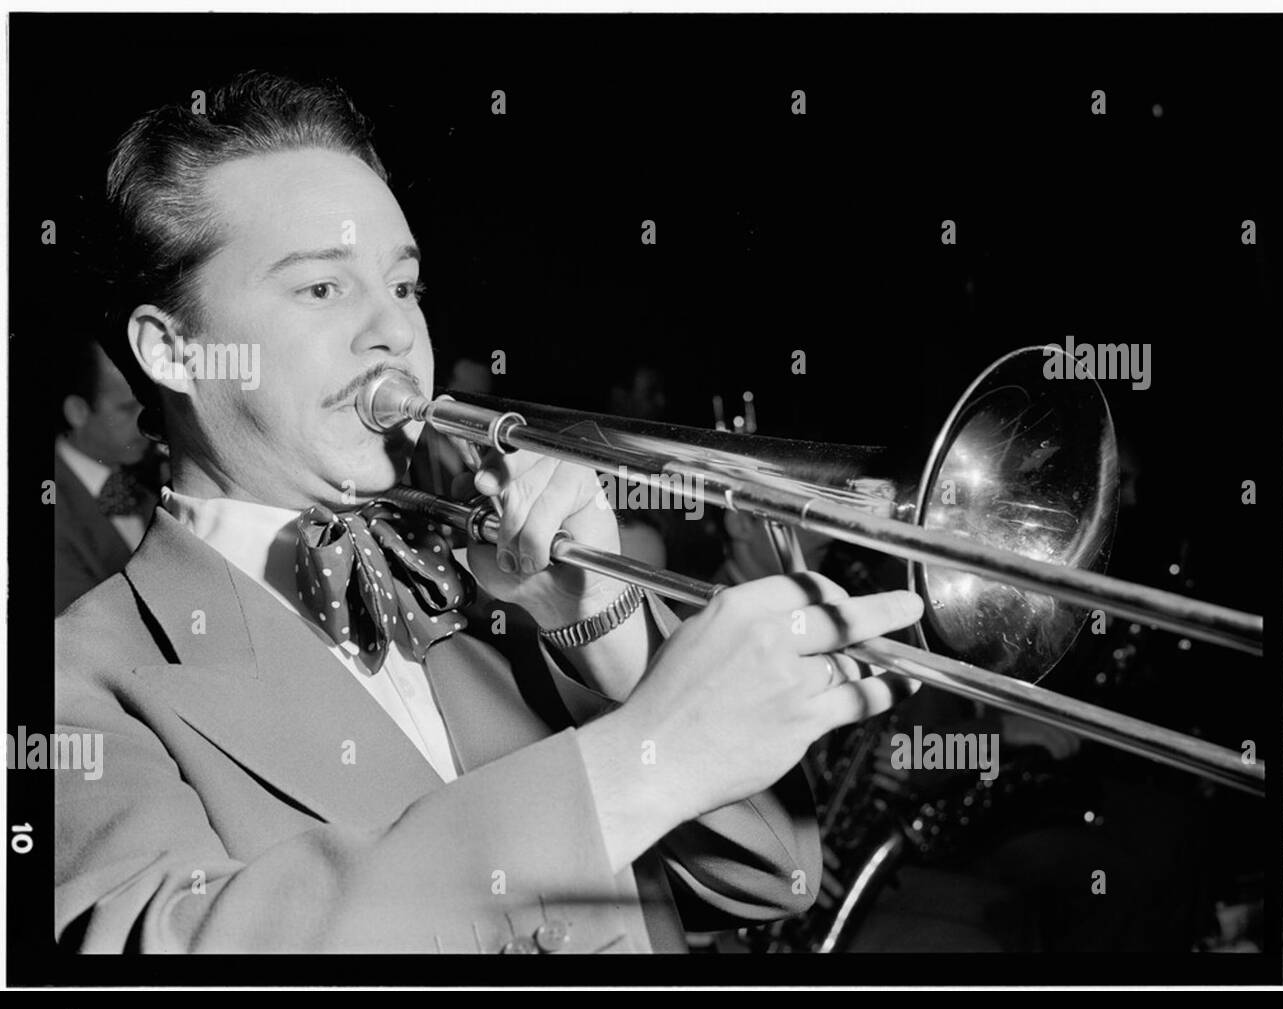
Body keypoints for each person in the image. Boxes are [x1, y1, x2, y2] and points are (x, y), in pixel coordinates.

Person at [55, 72, 922, 954]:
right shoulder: (75, 678)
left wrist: (606, 628)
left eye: (404, 286)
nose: (394, 333)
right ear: (172, 350)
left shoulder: (483, 570)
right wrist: (632, 763)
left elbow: (778, 875)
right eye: (322, 289)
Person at [53, 333, 159, 612]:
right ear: (78, 411)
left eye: (145, 404)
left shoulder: (148, 484)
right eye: (126, 408)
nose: (144, 420)